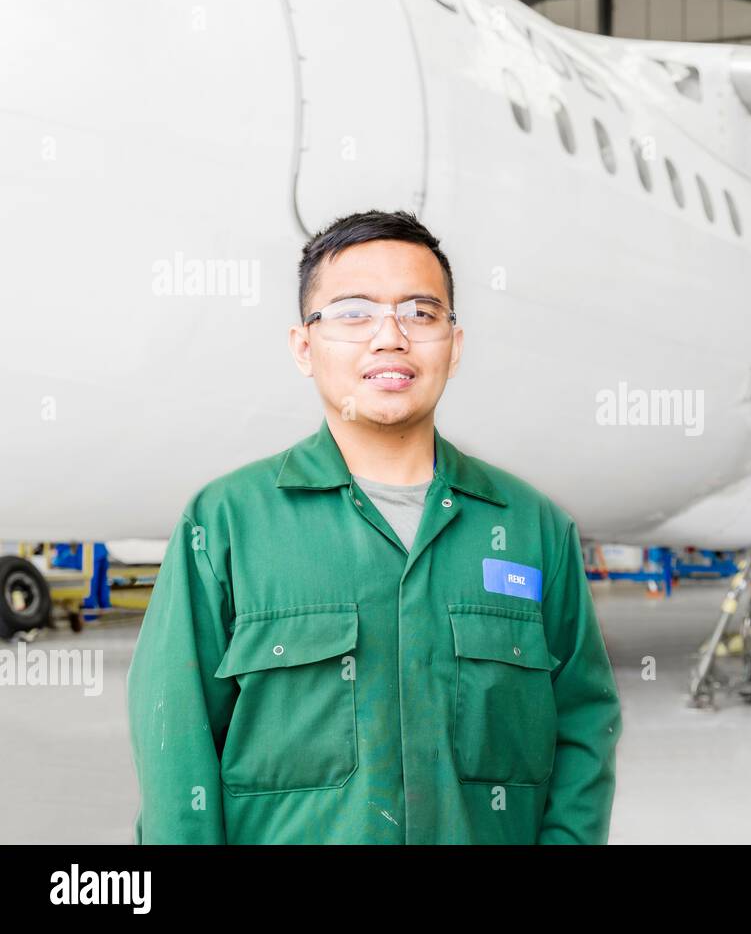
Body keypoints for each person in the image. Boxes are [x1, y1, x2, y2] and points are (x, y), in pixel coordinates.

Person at [126, 210, 623, 844]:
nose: (391, 337)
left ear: (454, 345)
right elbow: (176, 746)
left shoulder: (534, 528)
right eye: (353, 312)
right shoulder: (224, 523)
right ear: (304, 347)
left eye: (421, 312)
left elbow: (584, 724)